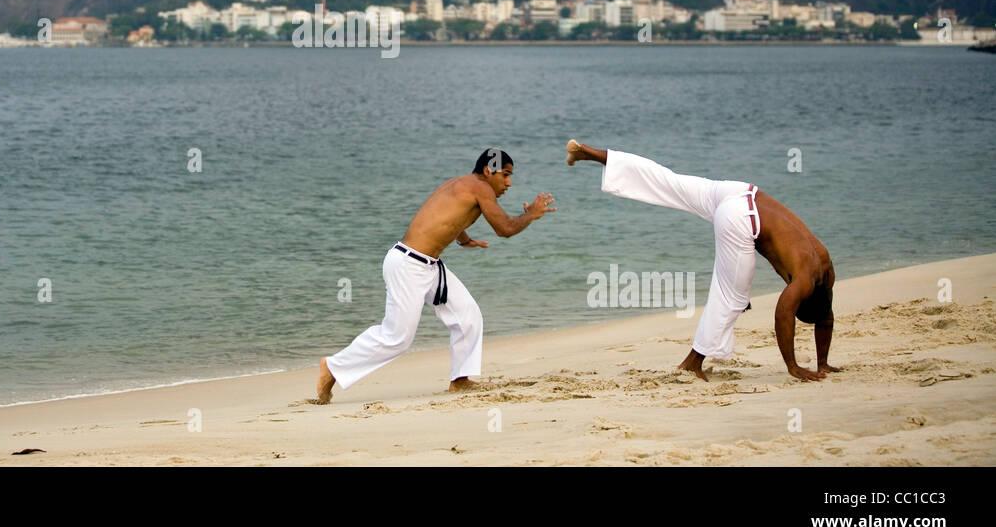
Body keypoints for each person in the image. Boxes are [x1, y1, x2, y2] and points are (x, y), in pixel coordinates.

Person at [565, 139, 838, 382]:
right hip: (740, 218)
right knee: (731, 296)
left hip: (741, 192)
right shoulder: (806, 279)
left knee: (667, 182)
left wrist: (822, 362)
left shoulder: (826, 267)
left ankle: (589, 153)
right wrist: (792, 366)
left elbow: (825, 314)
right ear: (807, 296)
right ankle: (692, 363)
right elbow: (783, 313)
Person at [315, 148, 556, 403]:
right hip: (408, 265)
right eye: (505, 174)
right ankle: (332, 368)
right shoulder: (480, 188)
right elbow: (505, 229)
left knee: (468, 315)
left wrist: (465, 240)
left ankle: (460, 380)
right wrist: (531, 215)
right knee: (397, 338)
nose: (509, 182)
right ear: (488, 170)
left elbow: (448, 218)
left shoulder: (463, 185)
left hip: (428, 266)